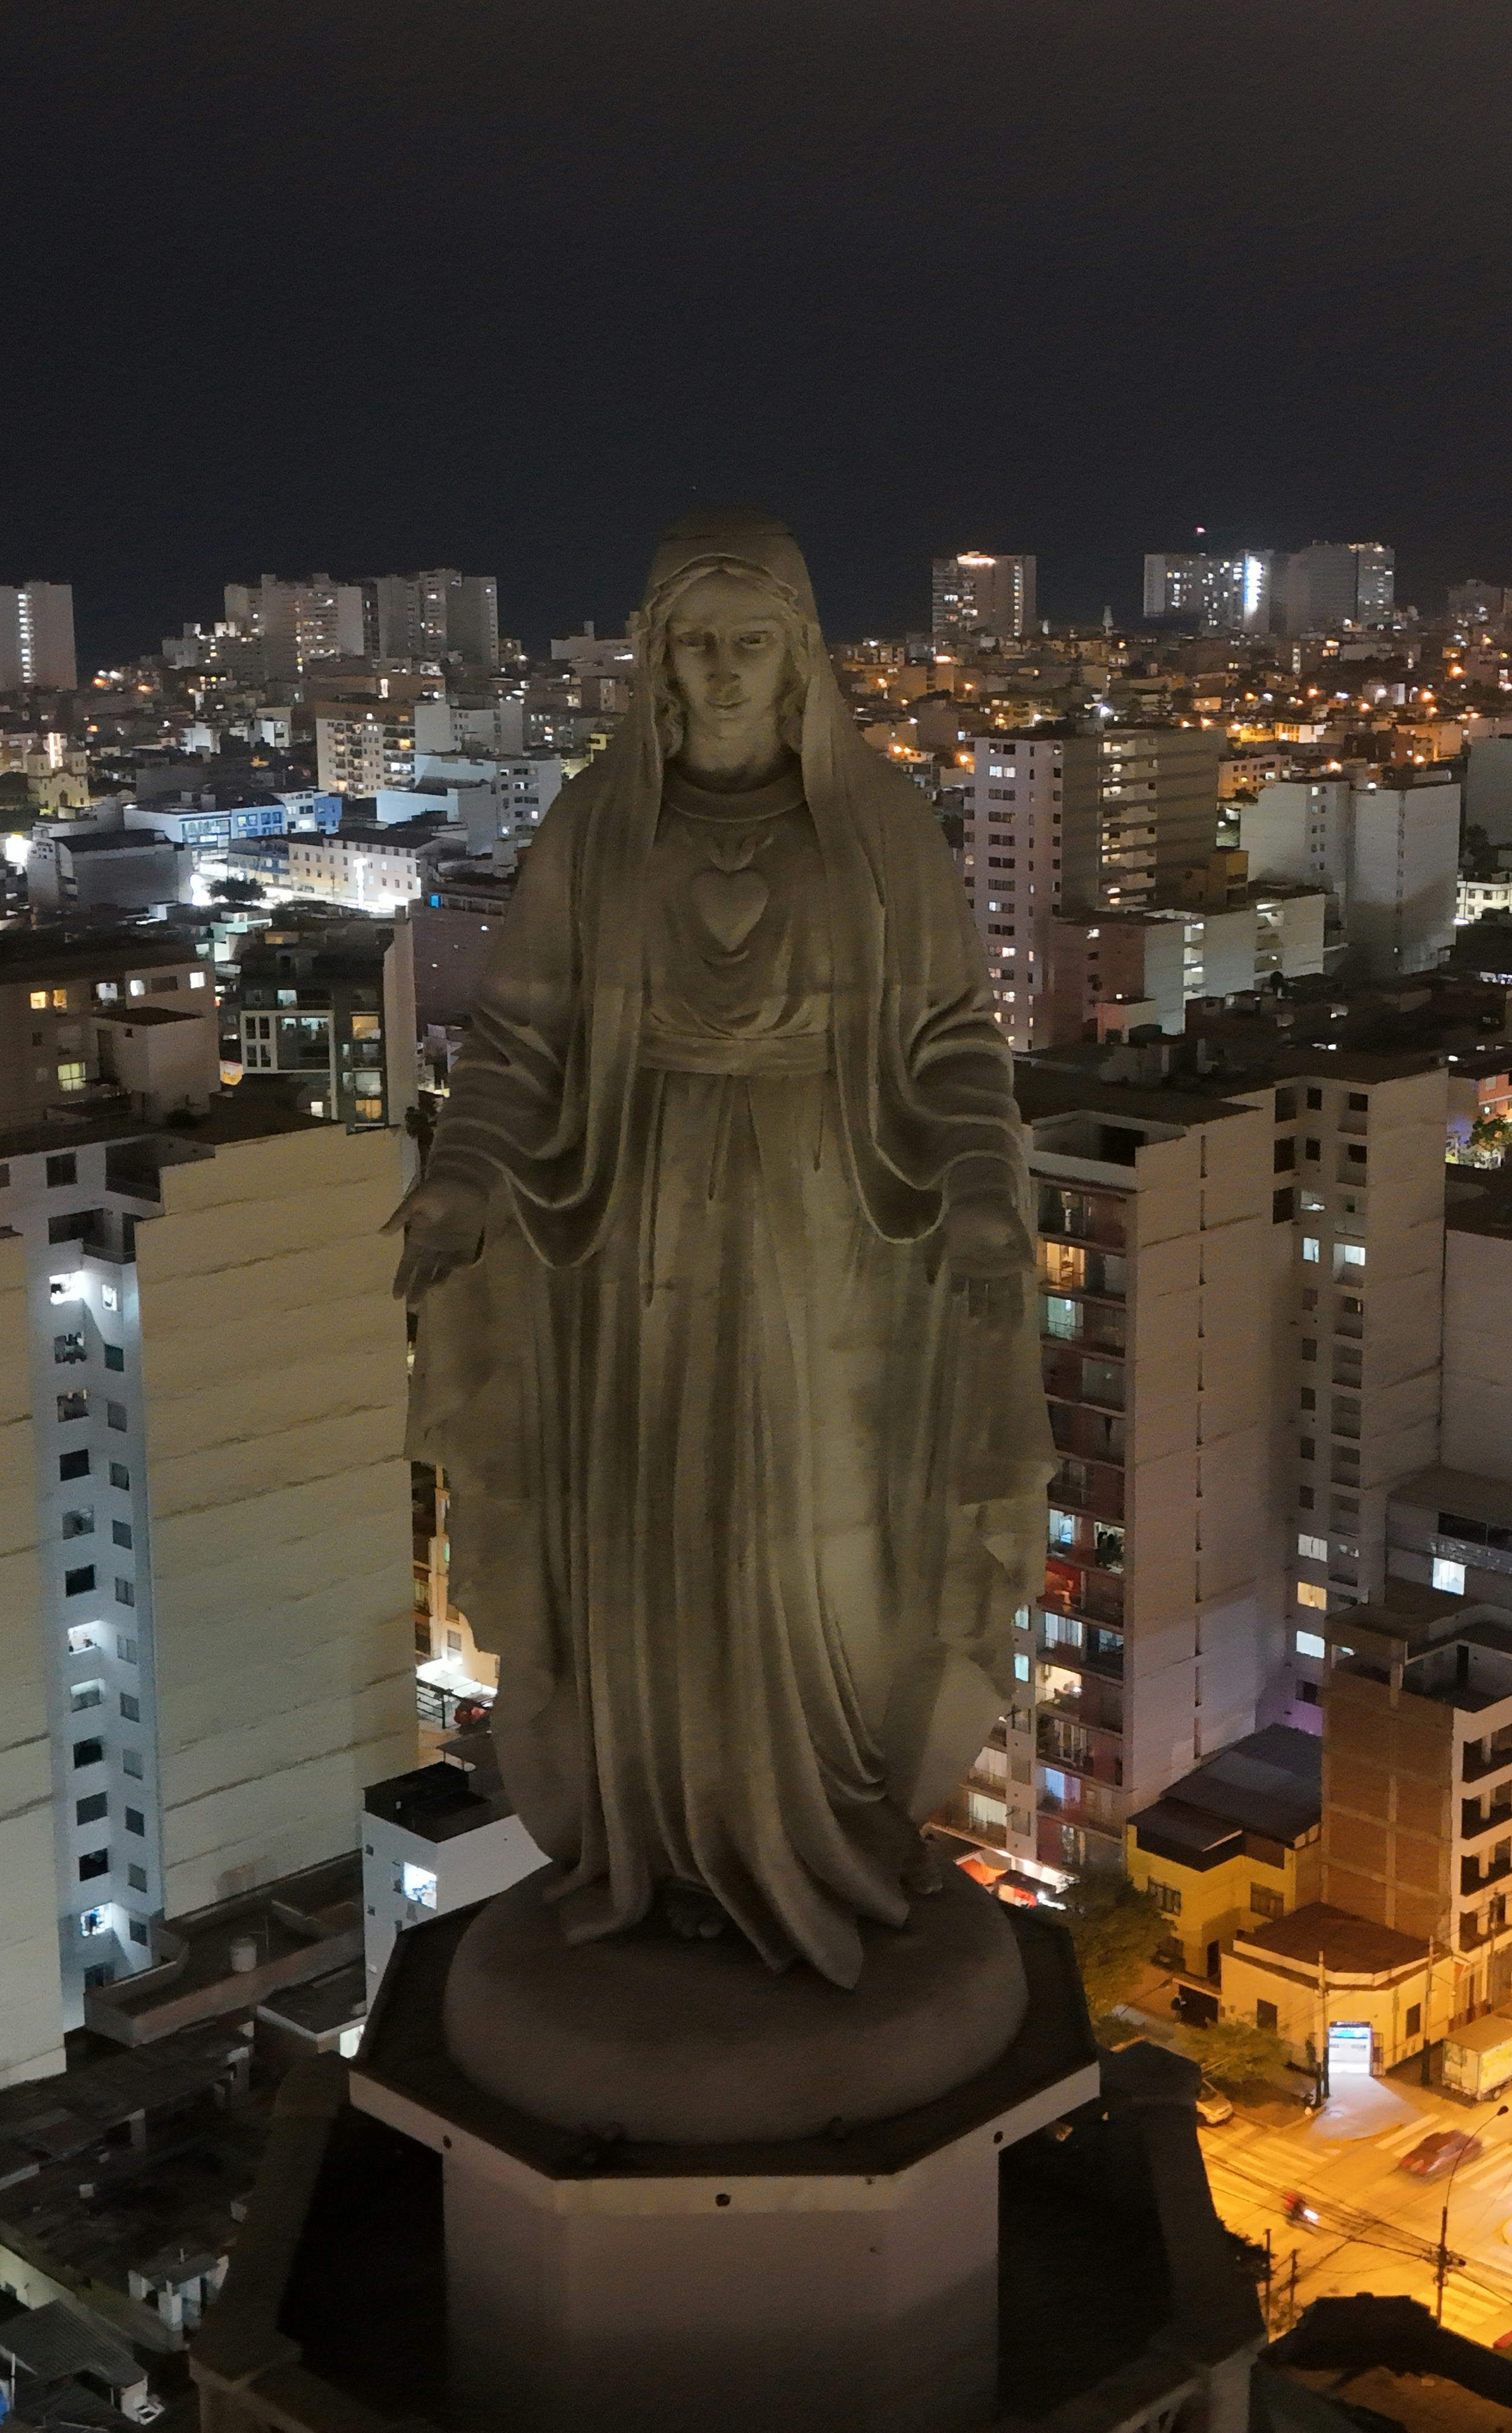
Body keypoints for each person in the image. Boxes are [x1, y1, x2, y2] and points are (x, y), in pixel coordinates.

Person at [395, 509, 1047, 1989]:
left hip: (826, 1242)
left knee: (820, 1544)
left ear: (799, 655)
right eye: (700, 640)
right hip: (635, 1243)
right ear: (662, 662)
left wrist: (979, 1181)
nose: (729, 667)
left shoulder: (875, 825)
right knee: (652, 1540)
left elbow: (949, 1034)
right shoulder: (599, 826)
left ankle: (819, 1820)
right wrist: (466, 1175)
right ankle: (658, 1838)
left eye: (755, 639)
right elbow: (522, 1037)